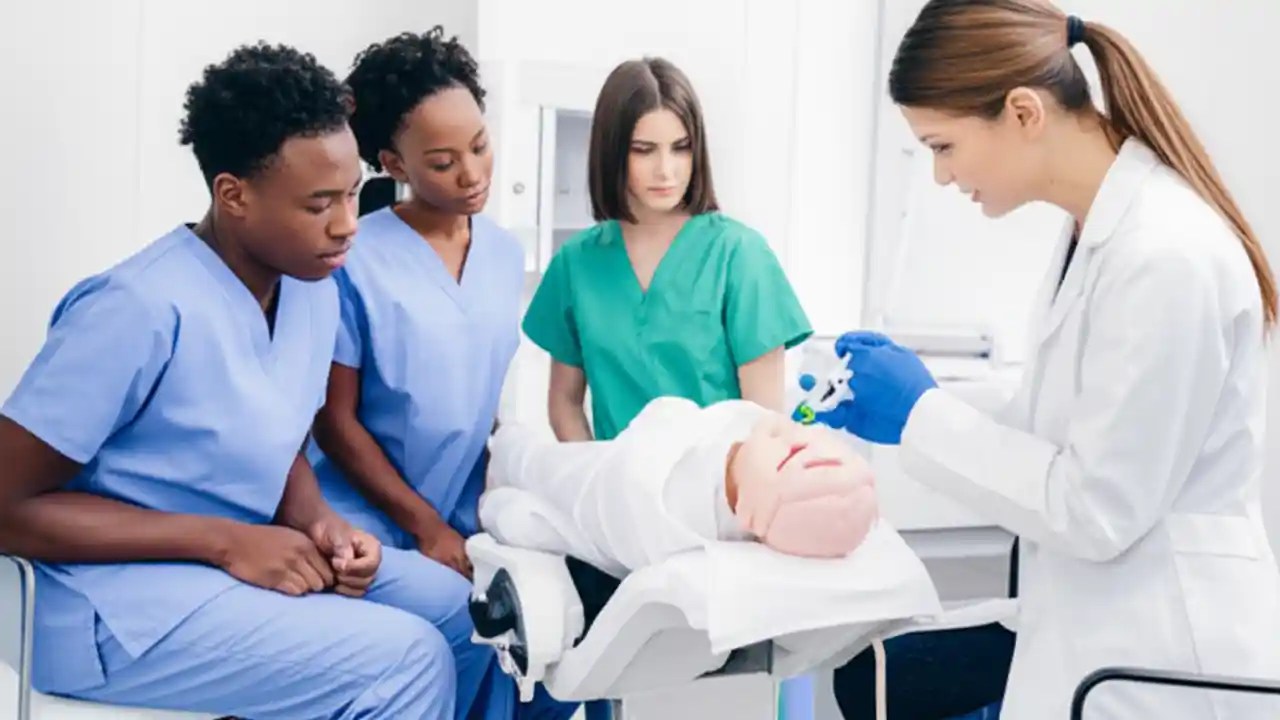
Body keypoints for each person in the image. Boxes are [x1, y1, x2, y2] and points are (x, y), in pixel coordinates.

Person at [0, 43, 492, 719]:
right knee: (404, 662)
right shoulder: (136, 309)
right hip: (109, 606)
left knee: (463, 620)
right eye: (319, 203)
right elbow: (6, 507)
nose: (348, 224)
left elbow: (270, 431)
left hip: (239, 565)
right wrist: (227, 541)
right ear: (233, 195)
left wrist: (320, 523)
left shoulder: (313, 287)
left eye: (353, 193)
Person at [826, 2, 1280, 719]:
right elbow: (1055, 424)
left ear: (1023, 113)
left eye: (943, 146)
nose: (942, 176)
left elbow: (1096, 506)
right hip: (1103, 640)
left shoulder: (1165, 255)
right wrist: (918, 404)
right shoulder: (1095, 237)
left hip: (1167, 666)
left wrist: (920, 411)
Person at [308, 28, 576, 719]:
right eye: (443, 161)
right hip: (367, 515)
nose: (472, 173)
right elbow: (334, 424)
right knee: (465, 627)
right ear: (394, 161)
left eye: (480, 145)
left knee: (549, 639)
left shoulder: (501, 252)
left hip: (463, 507)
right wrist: (426, 528)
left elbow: (475, 396)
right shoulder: (355, 260)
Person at [522, 57, 813, 444]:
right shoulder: (576, 265)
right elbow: (565, 404)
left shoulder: (739, 256)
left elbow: (764, 425)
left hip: (719, 496)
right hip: (615, 494)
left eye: (681, 148)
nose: (666, 170)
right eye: (643, 150)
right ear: (611, 153)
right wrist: (598, 487)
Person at [483, 397, 879, 575]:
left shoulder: (670, 507)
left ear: (751, 518)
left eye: (789, 450)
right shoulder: (751, 459)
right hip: (618, 467)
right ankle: (504, 458)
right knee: (544, 480)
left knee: (543, 474)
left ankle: (503, 452)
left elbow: (665, 415)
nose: (795, 435)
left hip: (612, 485)